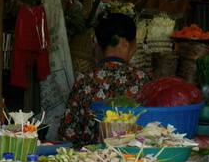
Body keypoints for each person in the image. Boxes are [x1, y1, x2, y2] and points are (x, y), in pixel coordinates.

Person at [60, 13, 149, 145]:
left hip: (89, 161)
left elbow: (67, 132)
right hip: (131, 160)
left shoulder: (84, 80)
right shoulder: (142, 80)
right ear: (125, 43)